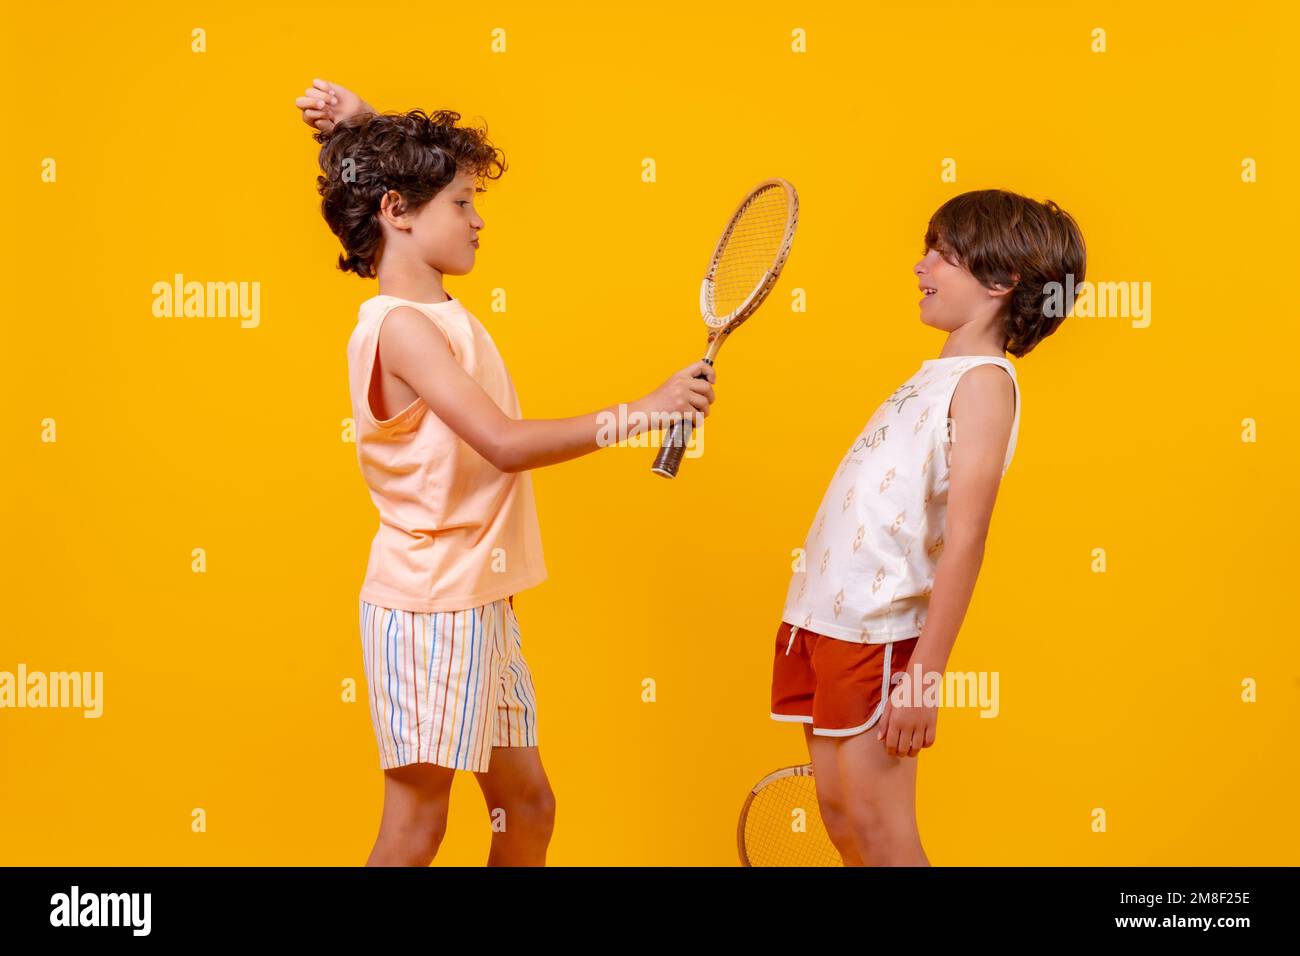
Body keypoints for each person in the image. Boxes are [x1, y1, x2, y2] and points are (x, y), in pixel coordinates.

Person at [296, 79, 715, 866]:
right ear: (397, 212)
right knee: (419, 824)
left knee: (527, 807)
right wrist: (645, 409)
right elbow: (503, 441)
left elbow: (390, 172)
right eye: (461, 202)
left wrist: (363, 126)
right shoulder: (402, 331)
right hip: (430, 608)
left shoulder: (437, 314)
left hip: (478, 598)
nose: (478, 217)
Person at [770, 189, 1086, 865]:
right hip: (822, 623)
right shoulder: (933, 374)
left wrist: (925, 678)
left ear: (1001, 282)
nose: (921, 266)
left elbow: (968, 537)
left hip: (878, 636)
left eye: (943, 255)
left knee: (883, 835)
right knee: (843, 819)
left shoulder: (983, 383)